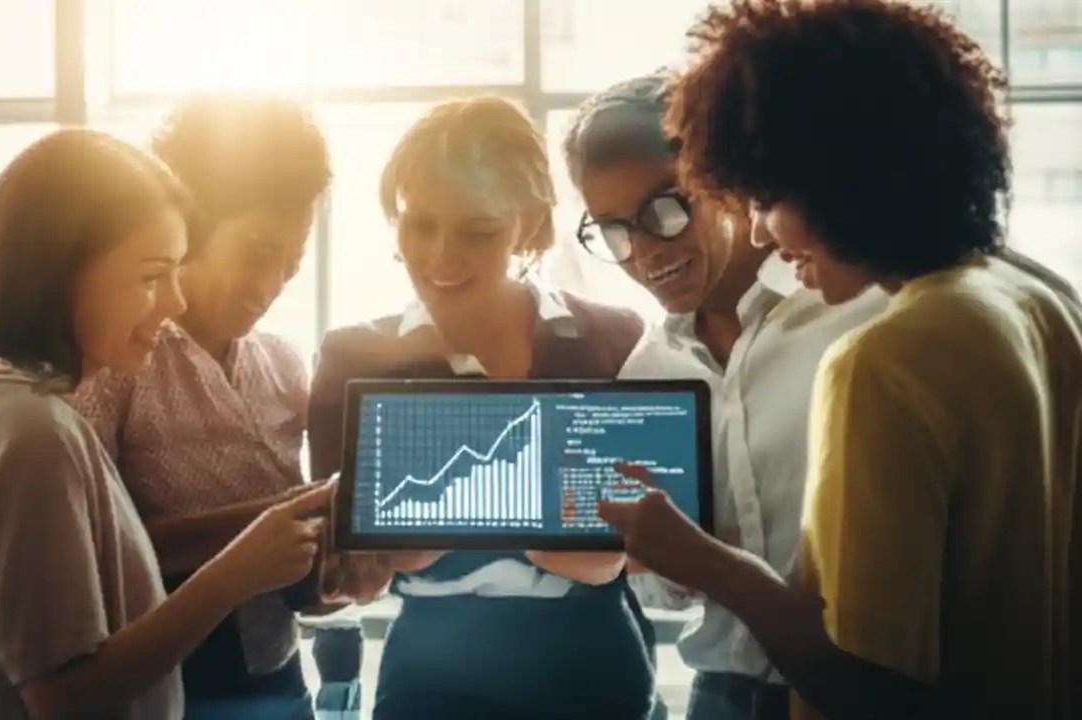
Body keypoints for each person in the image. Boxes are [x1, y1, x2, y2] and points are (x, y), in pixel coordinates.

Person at [597, 2, 1082, 719]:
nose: (761, 228)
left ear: (841, 176)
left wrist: (710, 566)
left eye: (767, 196)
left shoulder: (882, 356)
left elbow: (867, 689)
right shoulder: (1039, 294)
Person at [0, 128, 333, 719]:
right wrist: (232, 573)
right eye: (151, 275)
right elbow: (63, 698)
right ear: (64, 267)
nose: (174, 304)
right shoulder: (34, 435)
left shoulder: (3, 415)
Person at [308, 96, 657, 720]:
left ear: (526, 223)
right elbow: (337, 564)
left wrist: (616, 553)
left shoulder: (614, 337)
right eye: (420, 225)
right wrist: (363, 566)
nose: (443, 256)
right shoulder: (352, 355)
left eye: (478, 230)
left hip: (594, 660)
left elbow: (650, 535)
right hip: (431, 668)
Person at [560, 73, 885, 720]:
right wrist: (668, 560)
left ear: (731, 185)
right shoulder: (648, 375)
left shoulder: (854, 318)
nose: (646, 251)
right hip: (722, 697)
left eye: (667, 208)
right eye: (615, 231)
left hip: (868, 695)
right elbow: (666, 593)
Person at [68, 95, 333, 720]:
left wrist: (334, 572)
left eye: (291, 267)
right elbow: (90, 554)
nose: (269, 287)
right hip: (159, 691)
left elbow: (295, 571)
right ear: (187, 229)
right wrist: (275, 521)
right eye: (256, 251)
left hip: (281, 678)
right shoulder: (113, 368)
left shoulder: (284, 365)